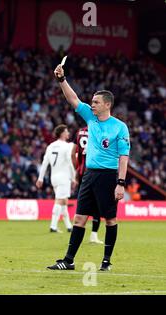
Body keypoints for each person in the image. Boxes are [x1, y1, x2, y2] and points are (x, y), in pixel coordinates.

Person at [47, 62, 130, 271]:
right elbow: (73, 99)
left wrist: (120, 183)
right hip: (90, 175)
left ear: (107, 105)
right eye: (92, 102)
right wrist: (61, 80)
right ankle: (69, 260)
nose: (91, 105)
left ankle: (106, 261)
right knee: (79, 217)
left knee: (110, 219)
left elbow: (123, 157)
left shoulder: (120, 127)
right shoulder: (90, 118)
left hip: (109, 176)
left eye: (96, 102)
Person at [36, 124, 75, 233]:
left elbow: (44, 163)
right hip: (64, 177)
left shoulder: (50, 146)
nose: (68, 133)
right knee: (59, 201)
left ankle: (68, 226)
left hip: (54, 177)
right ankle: (53, 226)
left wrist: (40, 178)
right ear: (62, 133)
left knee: (64, 201)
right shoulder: (67, 146)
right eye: (66, 131)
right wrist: (73, 177)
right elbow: (69, 162)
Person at [73, 126, 104, 244]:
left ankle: (76, 230)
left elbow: (73, 153)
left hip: (81, 172)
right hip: (94, 172)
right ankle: (93, 235)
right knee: (97, 204)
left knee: (82, 203)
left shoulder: (79, 131)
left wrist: (77, 169)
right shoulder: (98, 130)